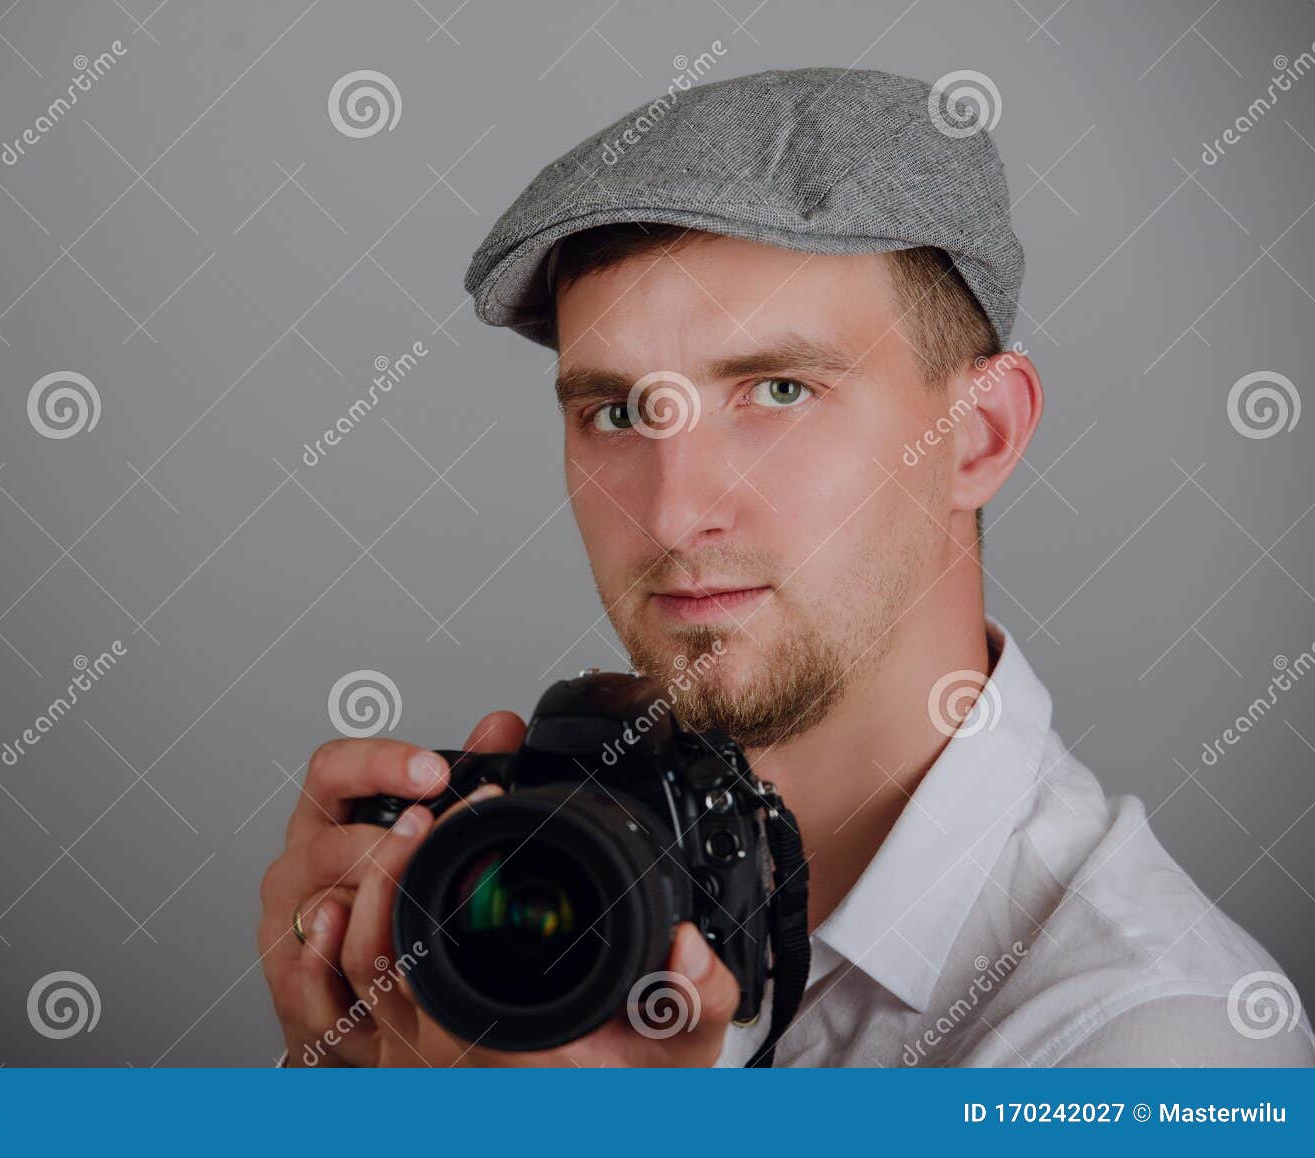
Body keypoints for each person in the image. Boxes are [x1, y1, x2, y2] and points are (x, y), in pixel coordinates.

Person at [258, 67, 1314, 1067]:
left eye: (776, 392)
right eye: (618, 412)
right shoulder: (540, 925)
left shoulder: (1154, 1042)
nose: (674, 513)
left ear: (979, 433)